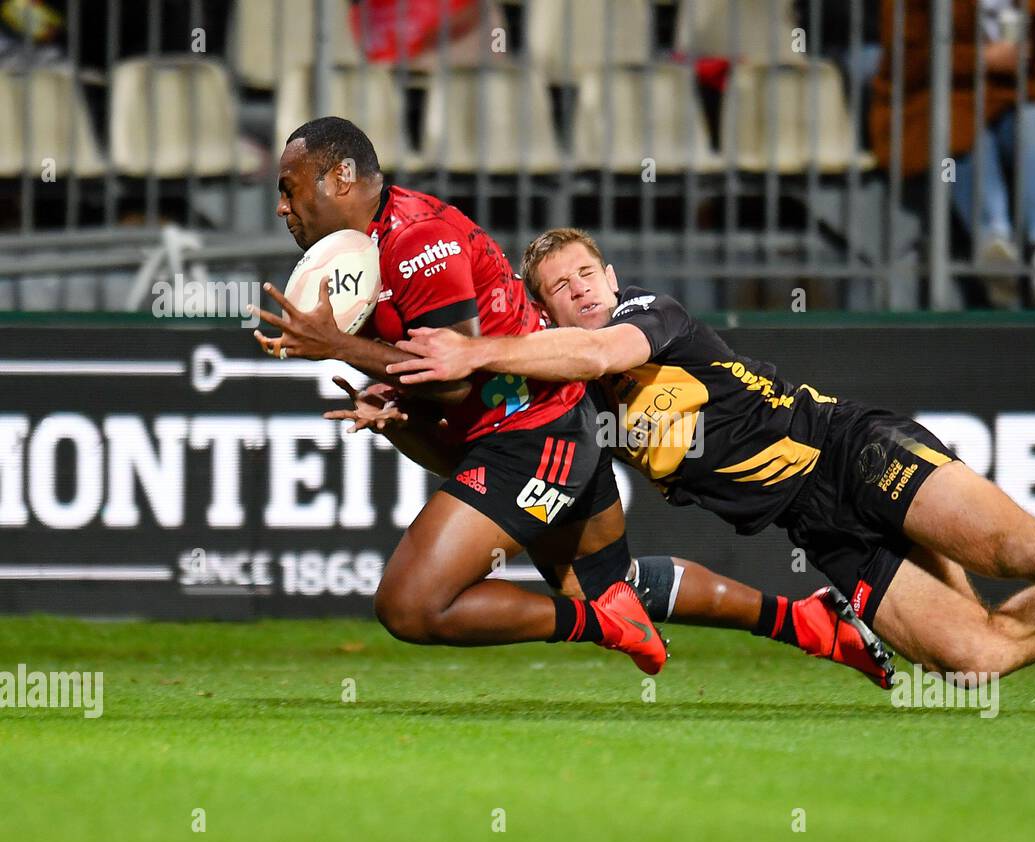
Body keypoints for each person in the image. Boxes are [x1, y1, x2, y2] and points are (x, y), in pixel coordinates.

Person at [387, 227, 1035, 721]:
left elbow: (597, 346)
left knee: (1015, 547)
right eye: (560, 286)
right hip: (818, 527)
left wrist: (477, 344)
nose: (581, 290)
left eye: (588, 274)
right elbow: (490, 459)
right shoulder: (571, 409)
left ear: (611, 276)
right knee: (976, 658)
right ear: (541, 308)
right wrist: (405, 422)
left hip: (853, 452)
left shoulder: (646, 314)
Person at [248, 117, 892, 685]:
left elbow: (451, 379)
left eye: (289, 187)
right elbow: (448, 425)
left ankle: (595, 625)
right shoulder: (366, 256)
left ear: (341, 177)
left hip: (537, 433)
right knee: (620, 585)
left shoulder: (418, 240)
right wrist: (396, 416)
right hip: (533, 430)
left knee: (411, 604)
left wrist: (337, 346)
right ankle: (807, 622)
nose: (282, 206)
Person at [871, 0, 1035, 305]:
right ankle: (993, 243)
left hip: (1012, 93)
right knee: (960, 130)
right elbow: (907, 62)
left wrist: (1030, 58)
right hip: (931, 98)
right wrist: (981, 59)